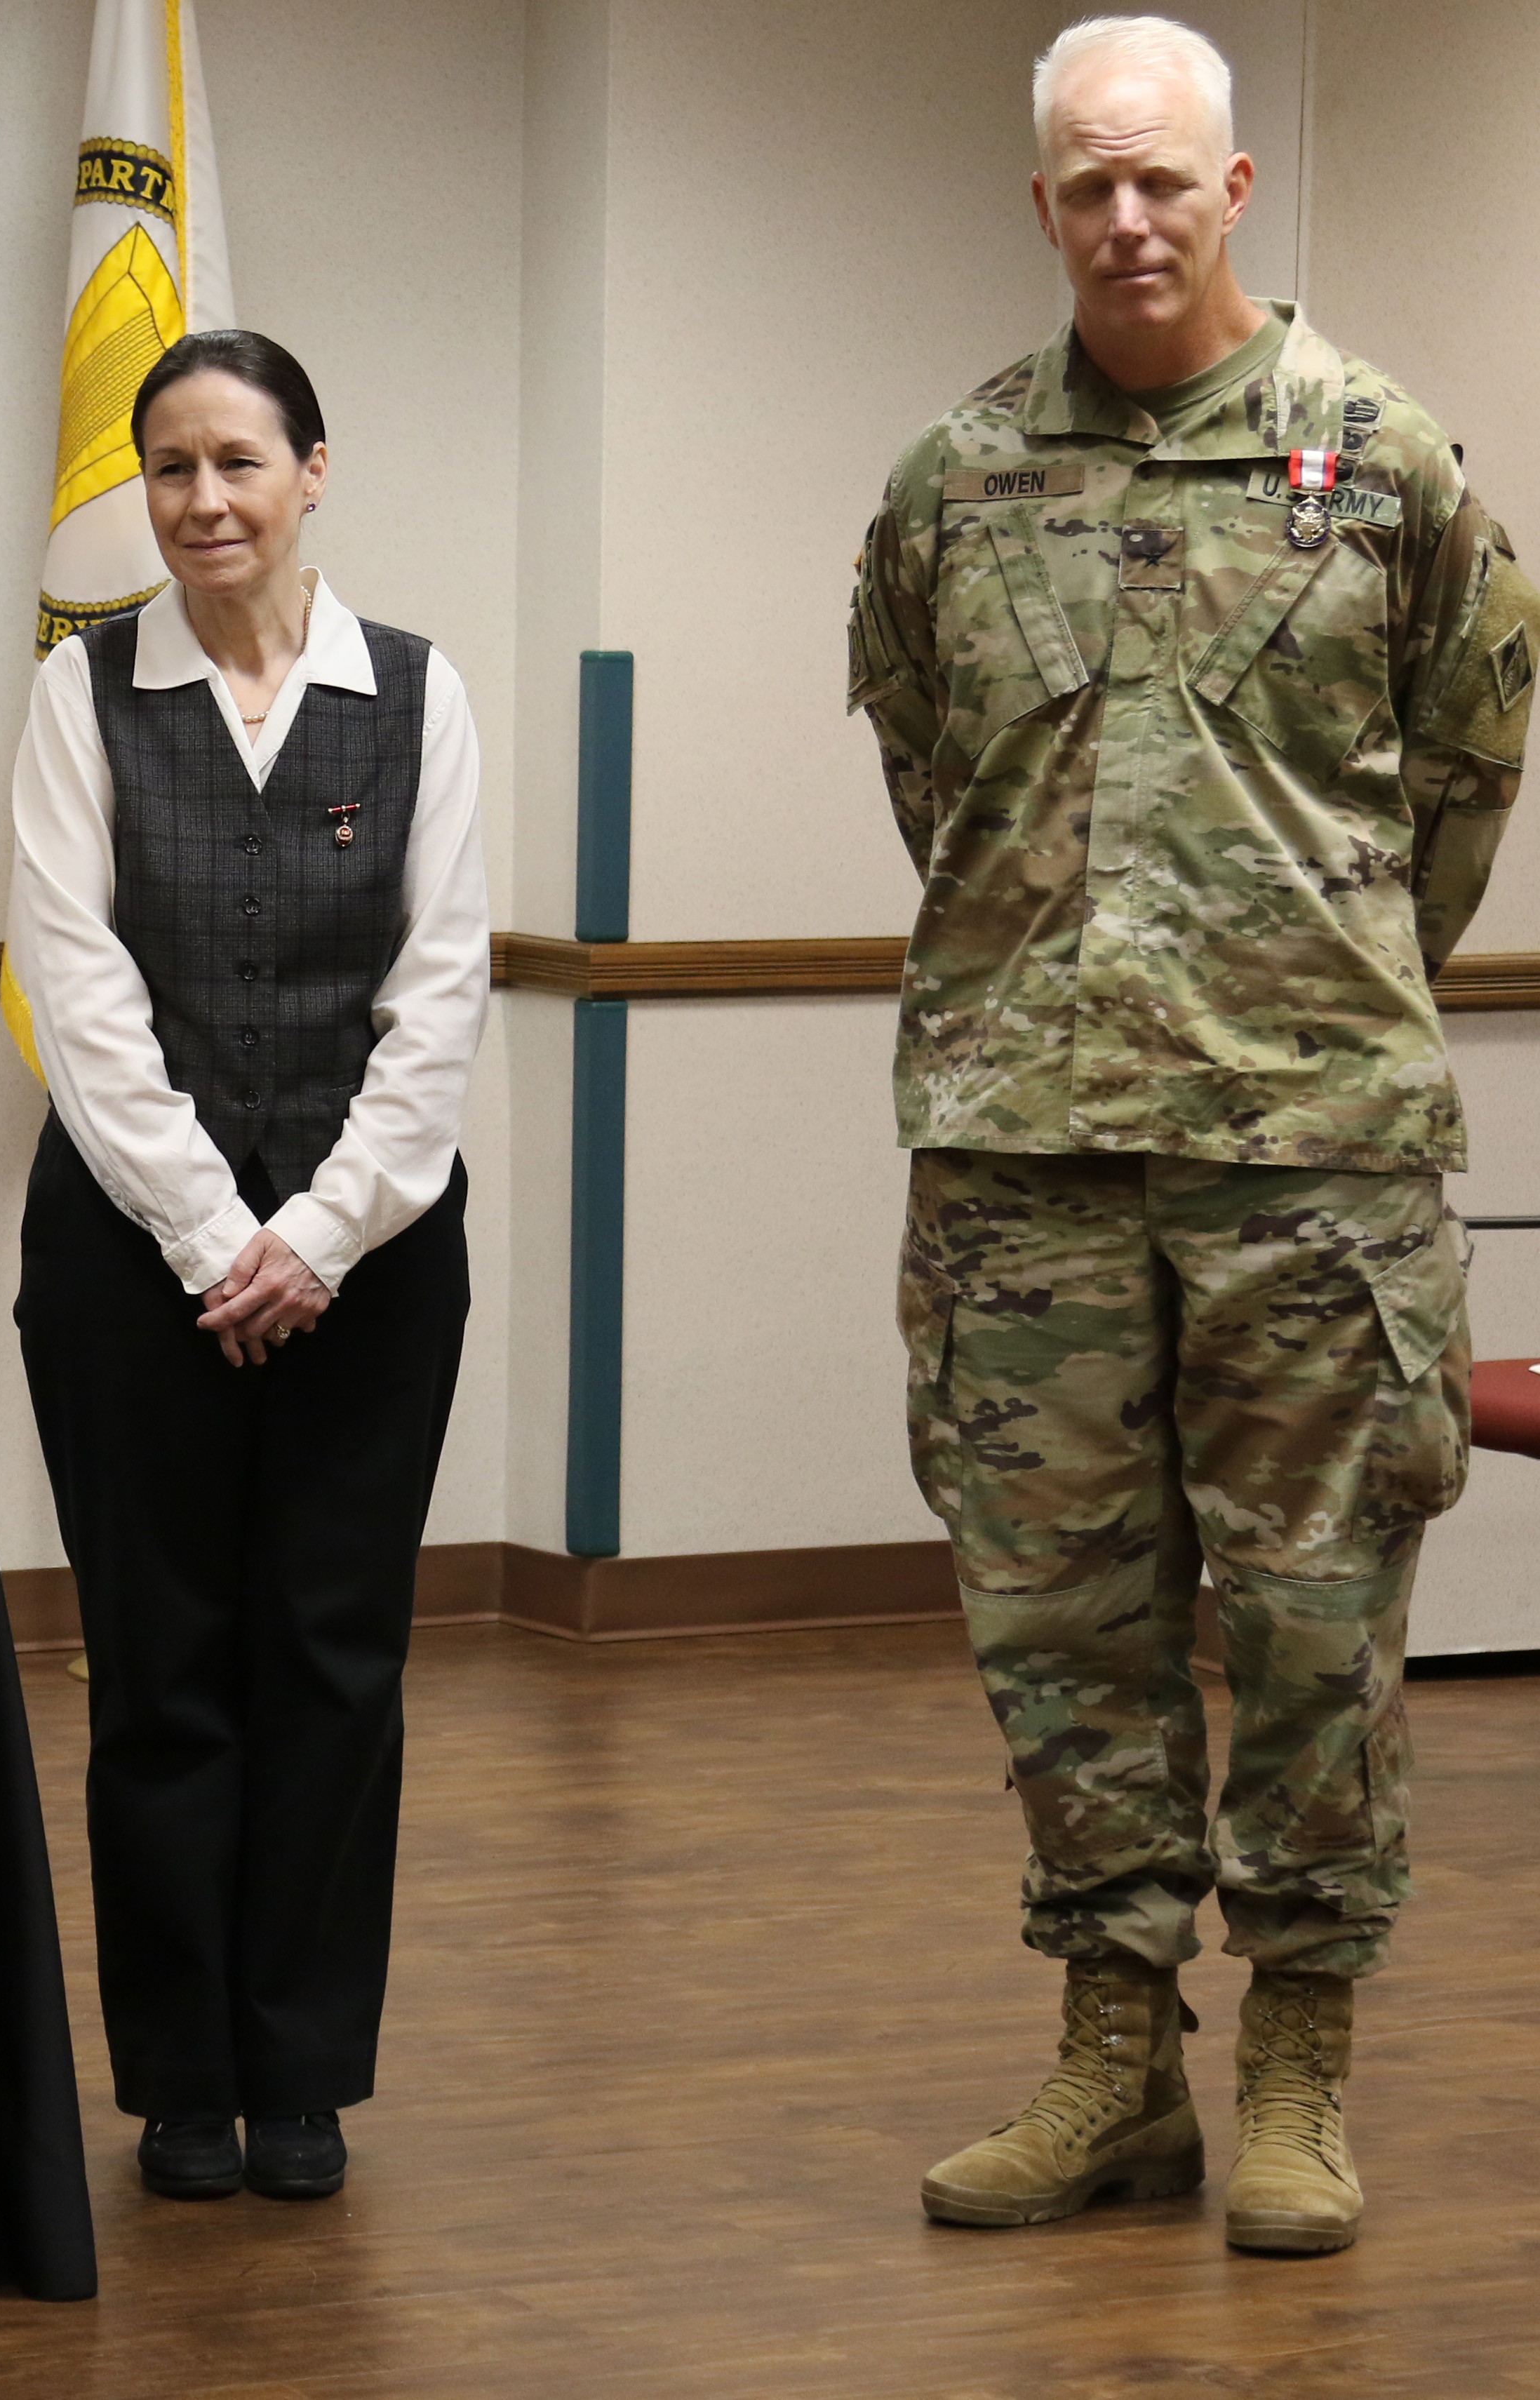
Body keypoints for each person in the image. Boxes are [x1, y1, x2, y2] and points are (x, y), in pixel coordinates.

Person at [850, 16, 1534, 2255]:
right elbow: (936, 786)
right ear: (1039, 206)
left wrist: (1302, 991)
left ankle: (1305, 2058)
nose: (1126, 218)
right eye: (1084, 185)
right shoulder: (952, 483)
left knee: (1322, 1617)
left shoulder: (1390, 464)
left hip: (1310, 1163)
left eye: (1163, 180)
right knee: (1063, 1623)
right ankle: (1116, 2052)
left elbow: (1459, 791)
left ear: (1236, 192)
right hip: (1021, 1160)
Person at [6, 329, 490, 2204]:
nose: (202, 501)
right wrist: (221, 1236)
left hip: (376, 1258)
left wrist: (321, 1232)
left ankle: (303, 2074)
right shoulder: (82, 692)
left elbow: (437, 993)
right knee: (163, 1666)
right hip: (136, 1263)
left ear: (310, 473)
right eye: (171, 468)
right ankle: (180, 2083)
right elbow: (82, 989)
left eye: (237, 463)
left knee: (334, 1661)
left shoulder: (424, 694)